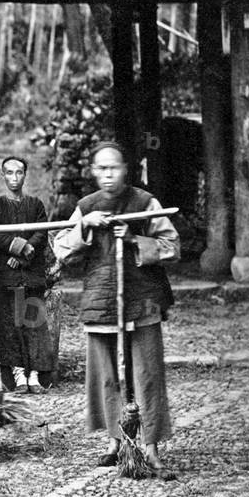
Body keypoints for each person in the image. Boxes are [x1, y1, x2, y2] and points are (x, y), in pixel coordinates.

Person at [53, 142, 179, 477]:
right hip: (101, 301)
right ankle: (115, 442)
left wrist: (135, 240)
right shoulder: (86, 207)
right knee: (106, 378)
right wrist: (86, 227)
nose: (108, 175)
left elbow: (172, 247)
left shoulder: (144, 203)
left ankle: (150, 447)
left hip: (142, 301)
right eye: (101, 169)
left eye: (115, 168)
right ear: (93, 171)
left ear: (126, 168)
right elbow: (62, 250)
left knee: (147, 376)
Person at [0, 156, 55, 393]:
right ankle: (17, 374)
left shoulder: (36, 205)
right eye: (9, 173)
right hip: (6, 277)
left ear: (25, 175)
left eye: (19, 173)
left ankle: (34, 375)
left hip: (31, 276)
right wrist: (17, 247)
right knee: (10, 325)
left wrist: (23, 254)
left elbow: (41, 234)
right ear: (2, 176)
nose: (14, 177)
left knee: (33, 322)